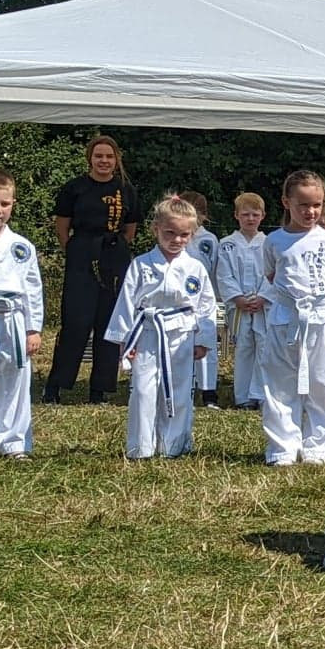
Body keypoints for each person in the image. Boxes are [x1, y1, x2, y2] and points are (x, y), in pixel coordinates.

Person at [106, 194, 217, 459]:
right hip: (147, 334)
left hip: (181, 335)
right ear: (156, 229)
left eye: (184, 235)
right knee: (143, 390)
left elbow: (206, 306)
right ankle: (140, 447)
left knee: (179, 389)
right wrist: (125, 340)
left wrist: (204, 339)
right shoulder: (141, 264)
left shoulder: (195, 267)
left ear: (192, 234)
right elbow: (126, 302)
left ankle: (173, 445)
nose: (177, 240)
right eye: (170, 233)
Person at [43, 134, 140, 405]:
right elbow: (62, 225)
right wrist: (74, 250)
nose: (104, 161)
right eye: (99, 156)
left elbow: (130, 228)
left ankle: (100, 389)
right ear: (90, 159)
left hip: (114, 255)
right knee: (75, 321)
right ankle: (57, 386)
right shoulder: (75, 188)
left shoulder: (126, 190)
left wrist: (114, 249)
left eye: (109, 156)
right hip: (81, 255)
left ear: (116, 159)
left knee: (108, 322)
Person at [259, 170, 325, 467]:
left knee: (322, 382)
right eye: (304, 205)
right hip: (286, 319)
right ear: (287, 202)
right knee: (281, 382)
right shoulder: (274, 241)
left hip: (321, 320)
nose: (311, 212)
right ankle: (283, 446)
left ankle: (317, 444)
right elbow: (272, 275)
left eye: (317, 205)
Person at [0, 169, 44, 457]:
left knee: (13, 383)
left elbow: (33, 290)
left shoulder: (21, 246)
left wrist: (33, 328)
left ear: (13, 204)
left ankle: (13, 443)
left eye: (4, 204)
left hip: (11, 319)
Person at [216, 193, 270, 408]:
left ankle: (263, 395)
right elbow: (224, 274)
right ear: (236, 216)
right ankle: (244, 397)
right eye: (245, 214)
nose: (250, 219)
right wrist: (237, 297)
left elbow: (273, 273)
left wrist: (263, 297)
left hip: (263, 306)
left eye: (255, 214)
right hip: (238, 307)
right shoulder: (227, 245)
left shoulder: (268, 244)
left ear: (263, 216)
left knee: (265, 347)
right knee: (244, 347)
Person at [176, 192, 224, 409]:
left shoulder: (209, 240)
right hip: (179, 302)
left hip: (205, 300)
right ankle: (184, 390)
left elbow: (215, 269)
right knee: (181, 345)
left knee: (207, 346)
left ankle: (209, 393)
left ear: (204, 217)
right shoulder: (176, 238)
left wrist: (217, 297)